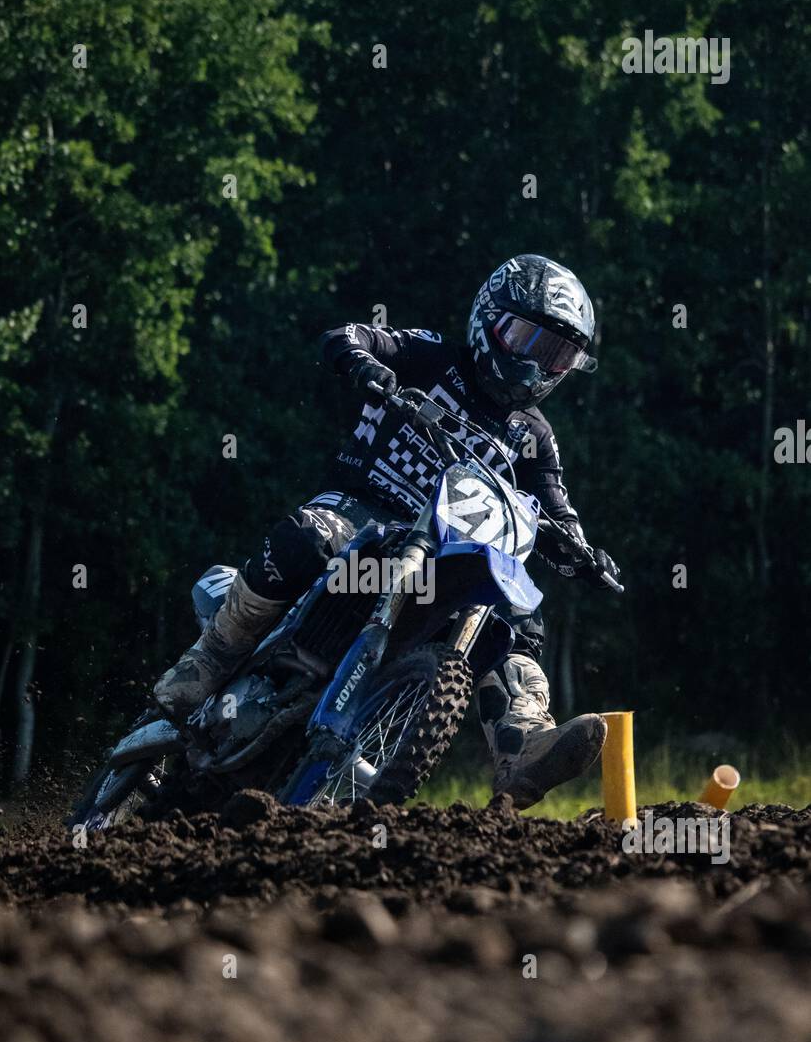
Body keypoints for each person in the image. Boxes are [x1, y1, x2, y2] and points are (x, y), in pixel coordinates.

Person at [154, 254, 620, 807]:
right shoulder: (434, 357)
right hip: (361, 510)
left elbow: (556, 509)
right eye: (528, 341)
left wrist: (584, 553)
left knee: (513, 617)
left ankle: (523, 743)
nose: (537, 364)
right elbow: (349, 334)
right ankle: (208, 660)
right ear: (488, 320)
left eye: (557, 355)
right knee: (307, 536)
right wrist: (361, 361)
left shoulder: (534, 436)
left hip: (445, 556)